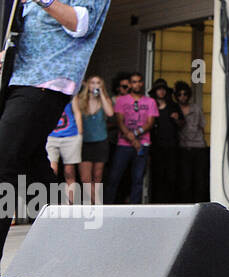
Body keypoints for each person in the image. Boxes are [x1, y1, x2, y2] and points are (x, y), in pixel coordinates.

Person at [0, 0, 114, 259]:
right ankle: (74, 245)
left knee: (5, 159)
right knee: (32, 166)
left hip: (48, 80)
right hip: (22, 76)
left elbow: (81, 24)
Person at [103, 72, 156, 204]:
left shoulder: (150, 101)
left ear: (142, 83)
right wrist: (132, 139)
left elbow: (150, 123)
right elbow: (120, 122)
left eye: (139, 81)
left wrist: (136, 134)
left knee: (138, 179)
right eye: (133, 82)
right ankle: (107, 206)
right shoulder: (122, 100)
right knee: (114, 177)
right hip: (123, 144)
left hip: (143, 144)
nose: (136, 84)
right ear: (130, 84)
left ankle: (134, 208)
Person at [77, 75, 114, 205]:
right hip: (85, 142)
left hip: (101, 141)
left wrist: (102, 94)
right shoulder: (81, 100)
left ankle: (94, 205)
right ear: (88, 84)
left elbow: (110, 113)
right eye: (92, 83)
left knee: (97, 176)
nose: (95, 85)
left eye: (98, 83)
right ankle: (96, 204)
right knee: (85, 178)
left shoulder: (105, 99)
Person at [174, 80, 208, 202]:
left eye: (185, 94)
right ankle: (186, 205)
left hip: (199, 147)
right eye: (179, 94)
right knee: (185, 179)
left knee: (200, 179)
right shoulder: (174, 109)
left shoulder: (196, 108)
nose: (182, 97)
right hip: (183, 147)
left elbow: (202, 126)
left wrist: (204, 144)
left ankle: (199, 204)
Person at [149, 77, 182, 202]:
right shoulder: (151, 105)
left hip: (172, 144)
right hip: (156, 145)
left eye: (163, 89)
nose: (161, 92)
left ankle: (170, 201)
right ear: (155, 91)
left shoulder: (173, 106)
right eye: (159, 90)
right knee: (157, 174)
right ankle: (156, 201)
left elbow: (182, 123)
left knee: (172, 175)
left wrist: (177, 119)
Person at [45, 97, 83, 205]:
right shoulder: (48, 92)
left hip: (70, 136)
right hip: (51, 136)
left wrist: (79, 134)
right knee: (51, 170)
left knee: (69, 172)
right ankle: (51, 203)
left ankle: (69, 205)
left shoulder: (71, 93)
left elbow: (77, 112)